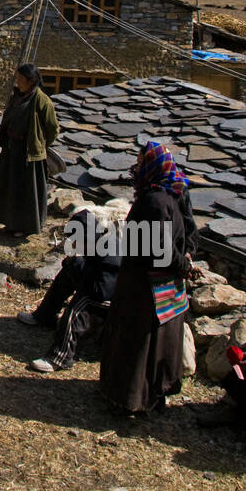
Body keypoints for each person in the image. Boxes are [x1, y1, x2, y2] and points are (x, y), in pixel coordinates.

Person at [100, 141, 191, 416]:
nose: (137, 168)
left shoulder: (153, 202)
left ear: (152, 166)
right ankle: (155, 394)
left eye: (141, 164)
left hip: (144, 285)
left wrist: (180, 264)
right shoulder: (176, 192)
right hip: (167, 285)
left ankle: (131, 399)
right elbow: (190, 233)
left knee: (138, 343)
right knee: (159, 345)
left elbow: (159, 248)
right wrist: (185, 261)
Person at [17, 209, 122, 373]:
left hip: (114, 301)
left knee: (81, 303)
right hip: (98, 285)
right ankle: (45, 316)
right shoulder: (95, 242)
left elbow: (101, 292)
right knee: (68, 273)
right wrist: (74, 264)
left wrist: (79, 263)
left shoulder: (111, 251)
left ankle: (60, 357)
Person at [0, 62, 59, 237]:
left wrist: (39, 145)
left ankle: (24, 227)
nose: (18, 81)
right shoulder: (17, 97)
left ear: (31, 81)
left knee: (25, 191)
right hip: (12, 149)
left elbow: (52, 129)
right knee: (11, 187)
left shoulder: (42, 101)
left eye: (21, 79)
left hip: (29, 154)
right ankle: (10, 223)